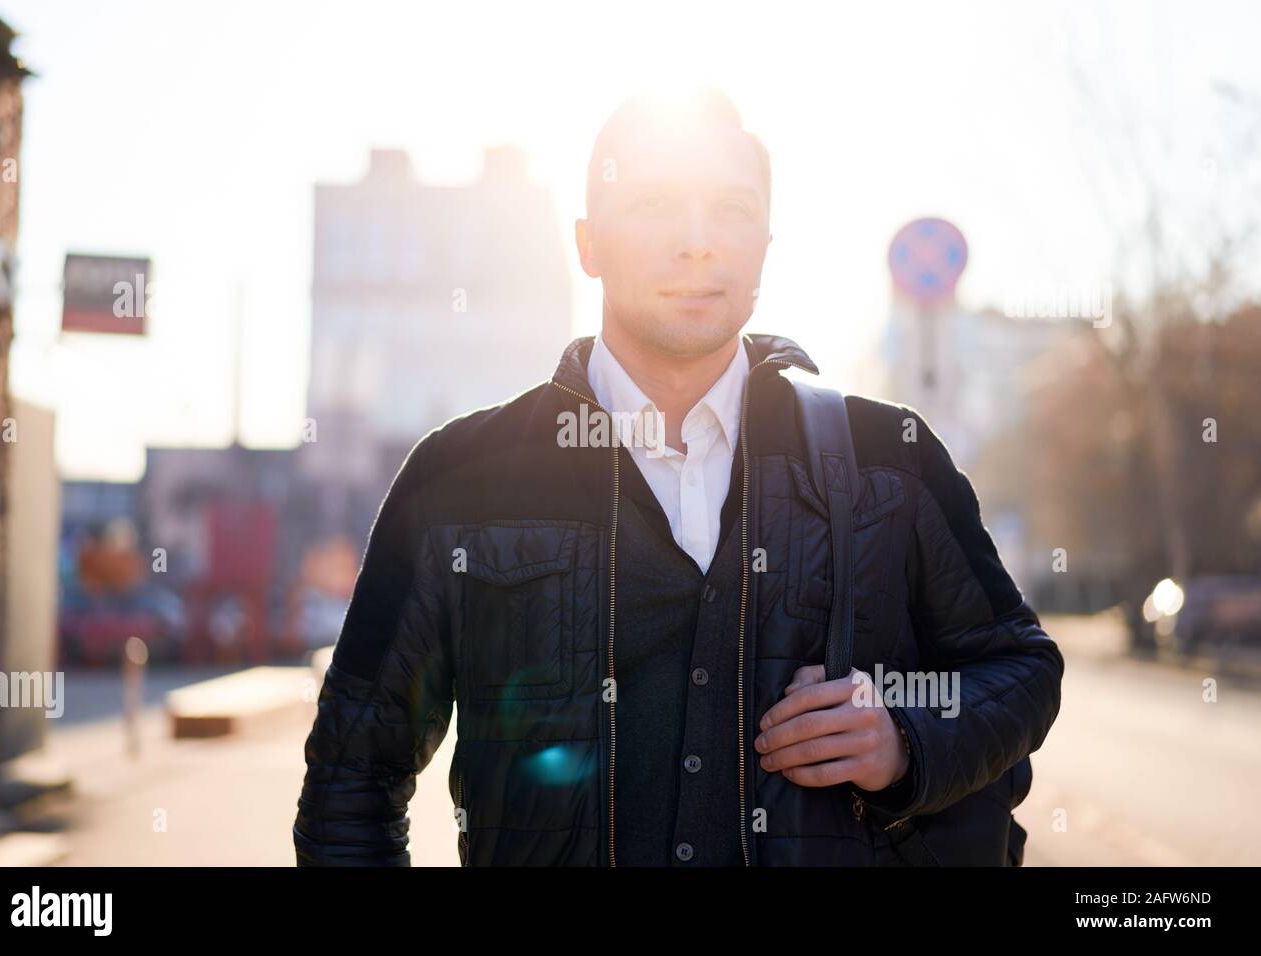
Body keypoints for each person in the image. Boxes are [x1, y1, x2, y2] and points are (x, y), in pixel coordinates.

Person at [292, 85, 1064, 866]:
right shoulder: (458, 481)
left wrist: (906, 739)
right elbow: (351, 783)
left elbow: (1022, 669)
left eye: (731, 210)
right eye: (656, 205)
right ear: (588, 245)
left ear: (765, 242)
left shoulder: (888, 456)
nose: (698, 243)